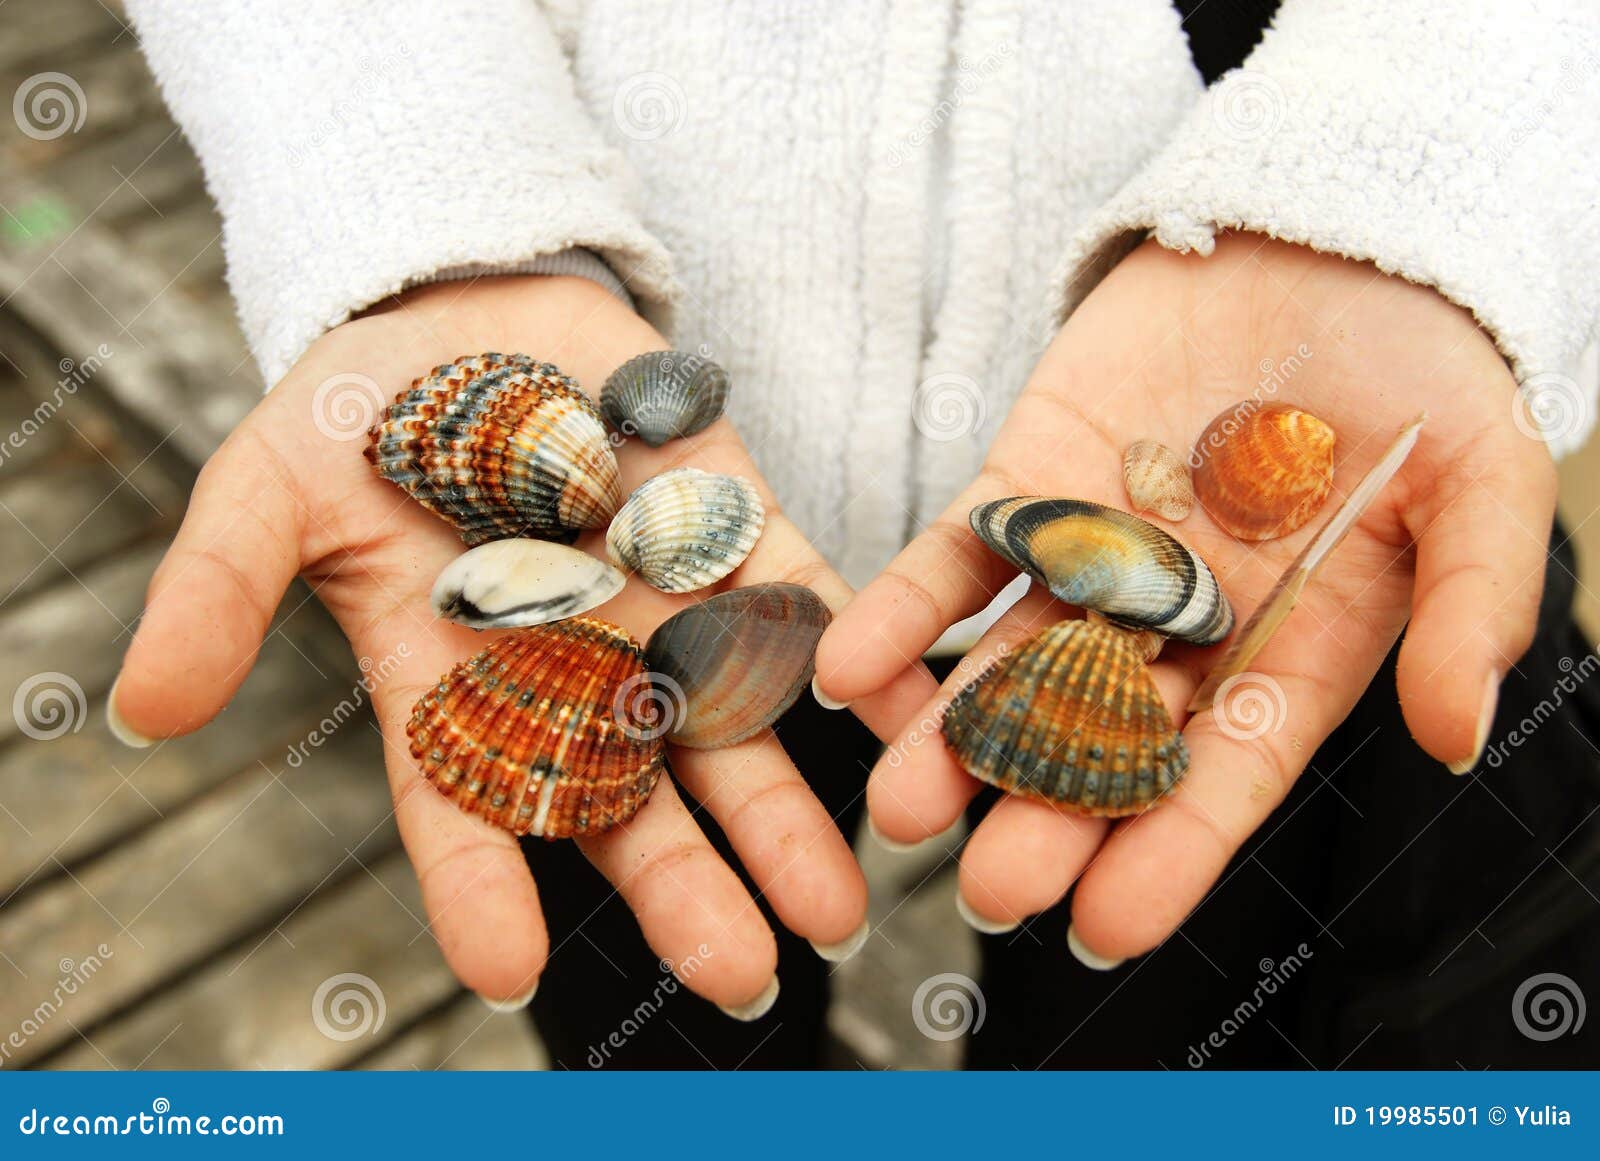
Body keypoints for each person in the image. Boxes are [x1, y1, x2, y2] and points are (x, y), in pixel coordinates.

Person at [110, 0, 1600, 1066]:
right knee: (673, 1024)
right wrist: (425, 208)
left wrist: (1423, 188)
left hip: (1304, 569)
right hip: (669, 539)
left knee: (1185, 1035)